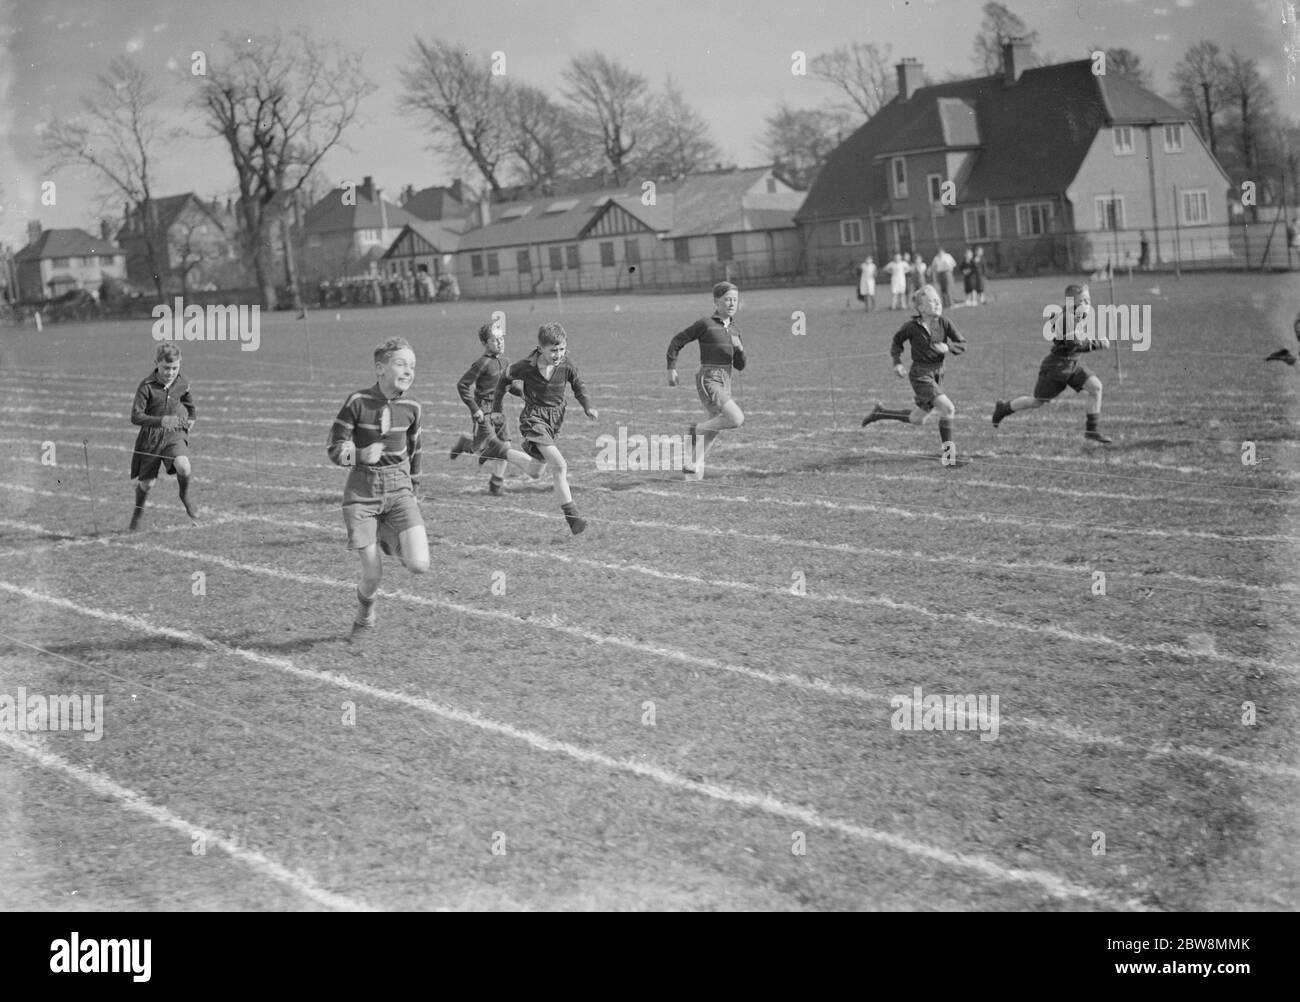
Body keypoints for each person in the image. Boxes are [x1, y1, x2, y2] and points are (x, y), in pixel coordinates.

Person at [327, 337, 431, 637]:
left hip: (399, 489)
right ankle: (365, 613)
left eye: (412, 366)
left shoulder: (413, 407)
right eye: (401, 364)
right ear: (380, 368)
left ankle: (387, 535)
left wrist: (414, 488)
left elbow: (416, 451)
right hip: (362, 491)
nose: (408, 370)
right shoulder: (357, 402)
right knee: (372, 575)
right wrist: (359, 454)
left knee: (420, 565)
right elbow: (334, 448)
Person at [491, 322, 597, 534]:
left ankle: (498, 450)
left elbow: (579, 386)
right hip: (533, 420)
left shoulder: (567, 365)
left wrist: (588, 406)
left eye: (561, 349)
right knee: (559, 465)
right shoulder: (526, 366)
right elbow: (504, 379)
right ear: (541, 348)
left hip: (553, 422)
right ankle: (573, 518)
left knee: (535, 471)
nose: (558, 354)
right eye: (553, 350)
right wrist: (496, 409)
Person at [992, 282, 1113, 443]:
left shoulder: (1077, 314)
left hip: (1073, 365)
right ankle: (1003, 409)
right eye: (1081, 300)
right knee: (1036, 402)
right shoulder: (1066, 318)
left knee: (1096, 387)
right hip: (1056, 368)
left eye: (1088, 300)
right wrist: (1098, 343)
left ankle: (1091, 430)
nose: (1086, 304)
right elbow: (1074, 344)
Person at [860, 284, 968, 464]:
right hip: (920, 374)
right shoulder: (911, 327)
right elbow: (896, 342)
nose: (937, 303)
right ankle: (949, 459)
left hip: (938, 373)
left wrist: (948, 347)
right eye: (932, 302)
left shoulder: (944, 322)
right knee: (948, 409)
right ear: (921, 308)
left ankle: (880, 413)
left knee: (917, 419)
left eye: (938, 300)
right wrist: (897, 362)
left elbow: (963, 344)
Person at [667, 281, 747, 480]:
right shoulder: (706, 324)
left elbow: (740, 365)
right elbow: (677, 341)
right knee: (736, 419)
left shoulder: (735, 330)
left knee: (715, 426)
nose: (731, 303)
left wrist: (740, 349)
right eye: (727, 299)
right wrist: (671, 368)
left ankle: (691, 466)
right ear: (716, 301)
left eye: (735, 300)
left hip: (726, 379)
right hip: (709, 378)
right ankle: (697, 429)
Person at [129, 341, 199, 531]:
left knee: (184, 466)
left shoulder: (182, 381)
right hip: (150, 439)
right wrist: (161, 421)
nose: (170, 372)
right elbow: (136, 416)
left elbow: (187, 399)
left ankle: (184, 496)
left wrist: (192, 416)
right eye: (166, 368)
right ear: (156, 363)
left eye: (175, 368)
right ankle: (138, 512)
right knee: (147, 484)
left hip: (174, 434)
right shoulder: (146, 386)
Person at [450, 319, 521, 495]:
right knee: (482, 449)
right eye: (494, 340)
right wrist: (475, 409)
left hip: (499, 410)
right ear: (484, 343)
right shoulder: (481, 363)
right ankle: (465, 443)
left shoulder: (505, 362)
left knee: (505, 446)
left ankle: (496, 485)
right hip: (484, 410)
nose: (500, 342)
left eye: (501, 339)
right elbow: (462, 385)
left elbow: (508, 386)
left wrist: (525, 394)